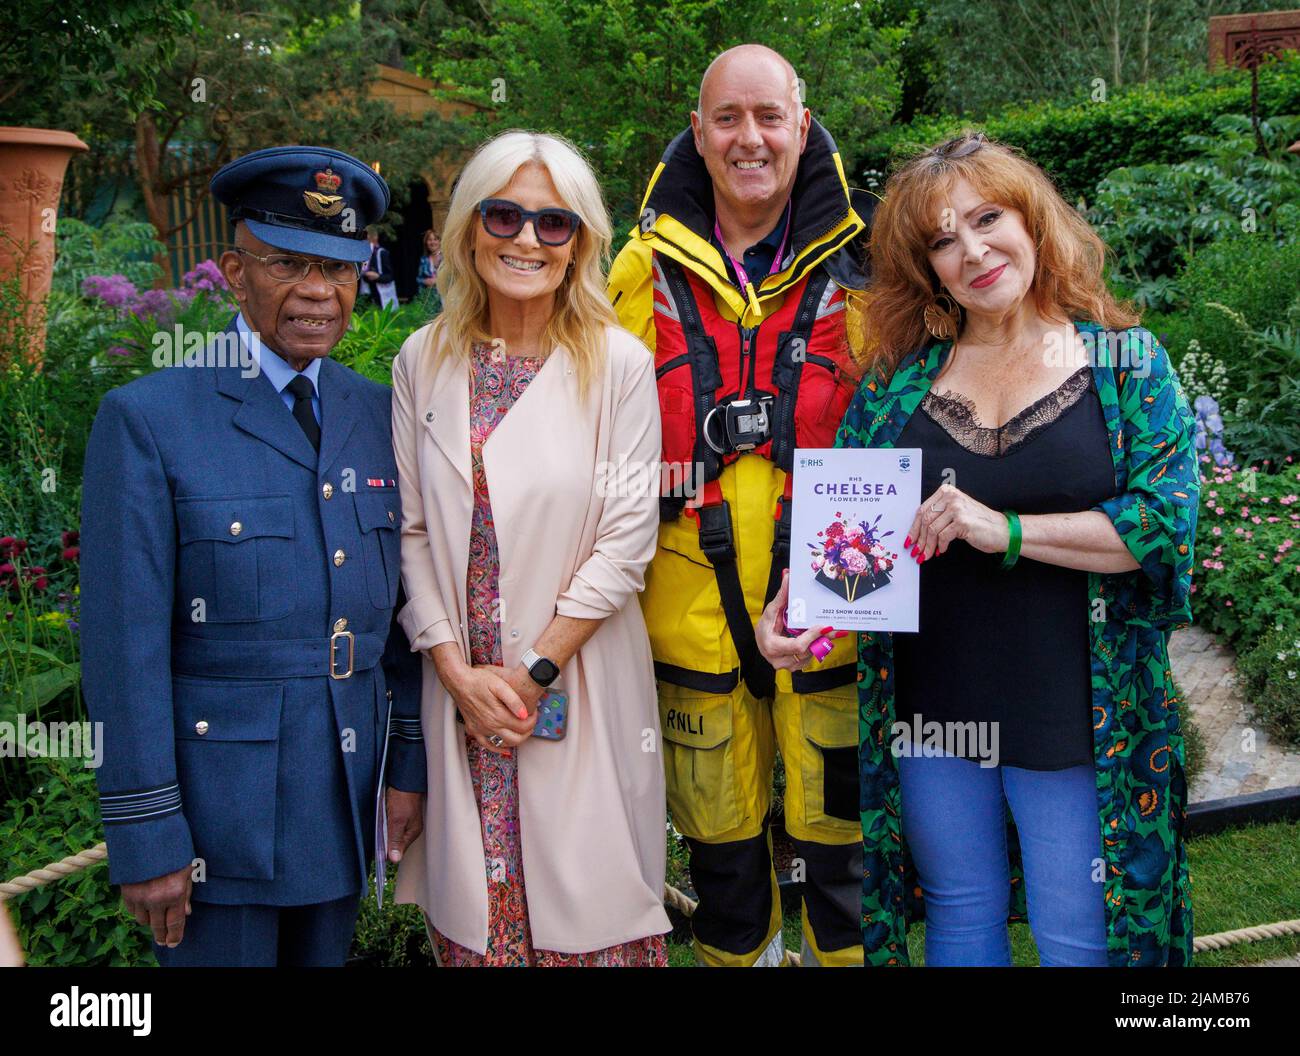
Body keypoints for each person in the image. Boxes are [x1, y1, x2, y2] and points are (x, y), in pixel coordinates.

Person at [757, 132, 1198, 966]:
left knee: (1079, 935)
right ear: (928, 268)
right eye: (942, 239)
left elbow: (1163, 527)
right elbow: (845, 546)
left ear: (1033, 221)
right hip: (938, 711)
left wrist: (1007, 530)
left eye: (988, 218)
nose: (973, 250)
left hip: (1076, 709)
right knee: (959, 919)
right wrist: (800, 614)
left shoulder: (1124, 365)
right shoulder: (897, 385)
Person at [80, 146, 427, 967]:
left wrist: (405, 765)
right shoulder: (151, 418)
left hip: (343, 803)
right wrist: (145, 827)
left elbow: (408, 621)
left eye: (341, 269)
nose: (319, 292)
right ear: (236, 272)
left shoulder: (378, 414)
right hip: (217, 829)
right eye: (289, 265)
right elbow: (121, 649)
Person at [607, 44, 872, 967]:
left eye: (769, 117)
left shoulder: (871, 270)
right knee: (722, 876)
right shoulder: (637, 274)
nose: (748, 138)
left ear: (802, 126)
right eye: (728, 118)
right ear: (697, 131)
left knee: (847, 872)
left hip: (837, 617)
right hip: (691, 628)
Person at [390, 130, 671, 965]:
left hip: (572, 678)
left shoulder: (617, 365)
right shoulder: (422, 358)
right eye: (504, 214)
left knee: (587, 913)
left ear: (580, 242)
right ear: (469, 228)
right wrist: (454, 671)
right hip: (464, 693)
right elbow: (409, 531)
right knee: (478, 918)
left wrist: (530, 672)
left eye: (554, 224)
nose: (525, 239)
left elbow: (627, 541)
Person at [363, 227, 398, 309]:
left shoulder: (382, 253)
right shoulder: (364, 254)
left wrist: (378, 276)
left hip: (381, 297)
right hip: (367, 296)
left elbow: (390, 276)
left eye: (367, 239)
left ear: (375, 238)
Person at [415, 229, 443, 315]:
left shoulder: (446, 258)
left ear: (439, 241)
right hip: (430, 299)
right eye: (429, 240)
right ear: (426, 243)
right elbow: (418, 279)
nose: (432, 242)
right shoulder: (424, 260)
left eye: (435, 239)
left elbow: (453, 278)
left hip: (445, 297)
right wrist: (425, 281)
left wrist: (438, 281)